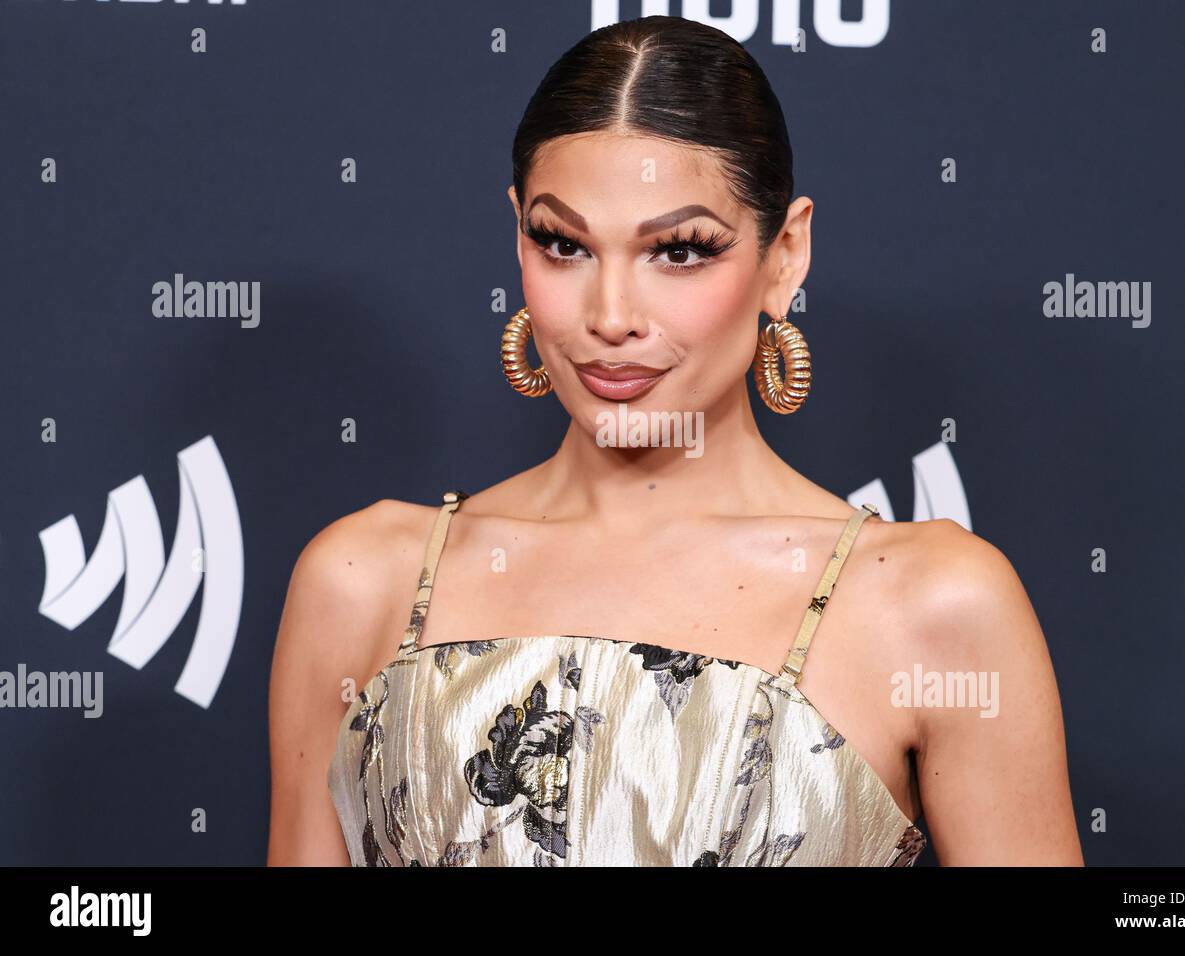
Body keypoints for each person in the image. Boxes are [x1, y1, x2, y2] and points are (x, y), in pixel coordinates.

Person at [266, 15, 1083, 867]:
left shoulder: (932, 607)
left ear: (786, 254)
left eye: (681, 251)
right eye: (563, 244)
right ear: (518, 235)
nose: (611, 317)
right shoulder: (363, 583)